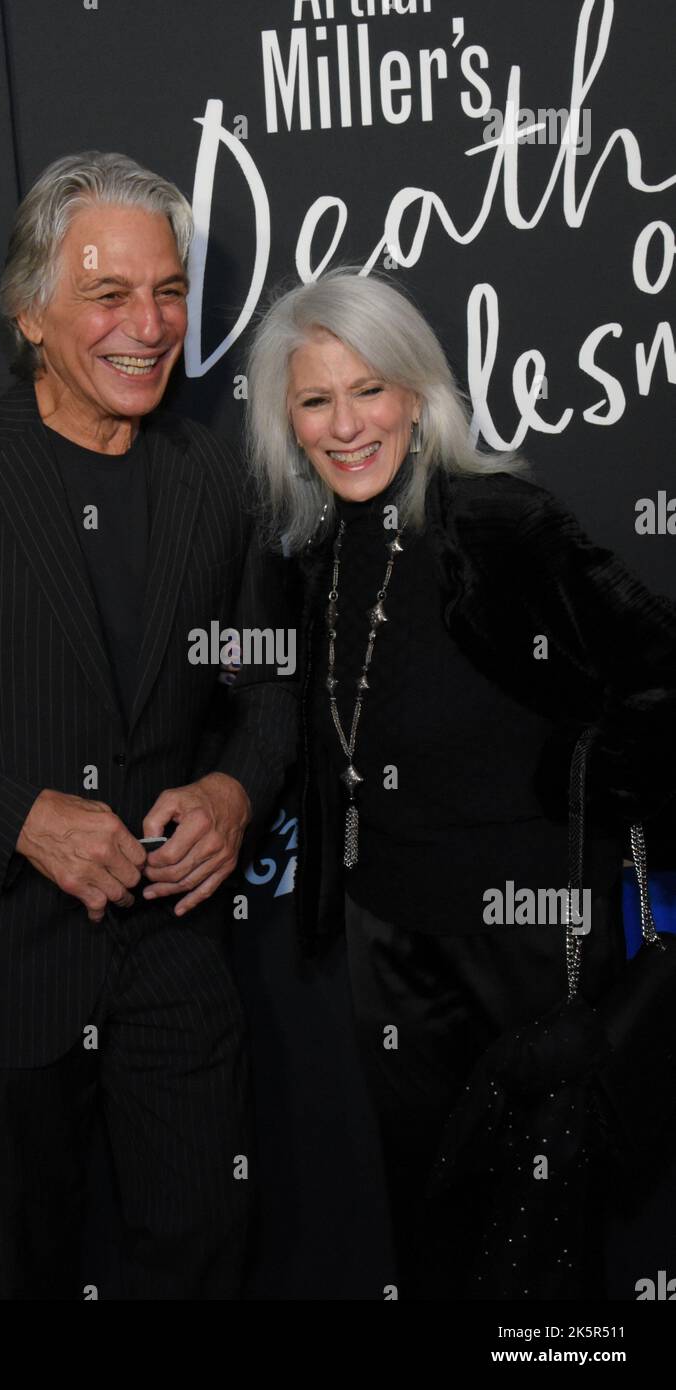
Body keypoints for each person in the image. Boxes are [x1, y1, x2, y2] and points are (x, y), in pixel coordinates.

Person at [0, 151, 297, 1299]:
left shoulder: (218, 480)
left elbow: (270, 682)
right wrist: (25, 820)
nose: (150, 325)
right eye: (108, 294)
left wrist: (233, 789)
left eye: (167, 291)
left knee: (206, 1253)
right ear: (30, 312)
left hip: (173, 958)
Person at [245, 267, 676, 1299]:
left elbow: (659, 677)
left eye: (370, 390)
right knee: (433, 1226)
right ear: (287, 422)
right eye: (316, 400)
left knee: (541, 1245)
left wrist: (577, 776)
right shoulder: (307, 560)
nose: (347, 424)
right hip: (389, 944)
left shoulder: (500, 526)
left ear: (417, 394)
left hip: (530, 940)